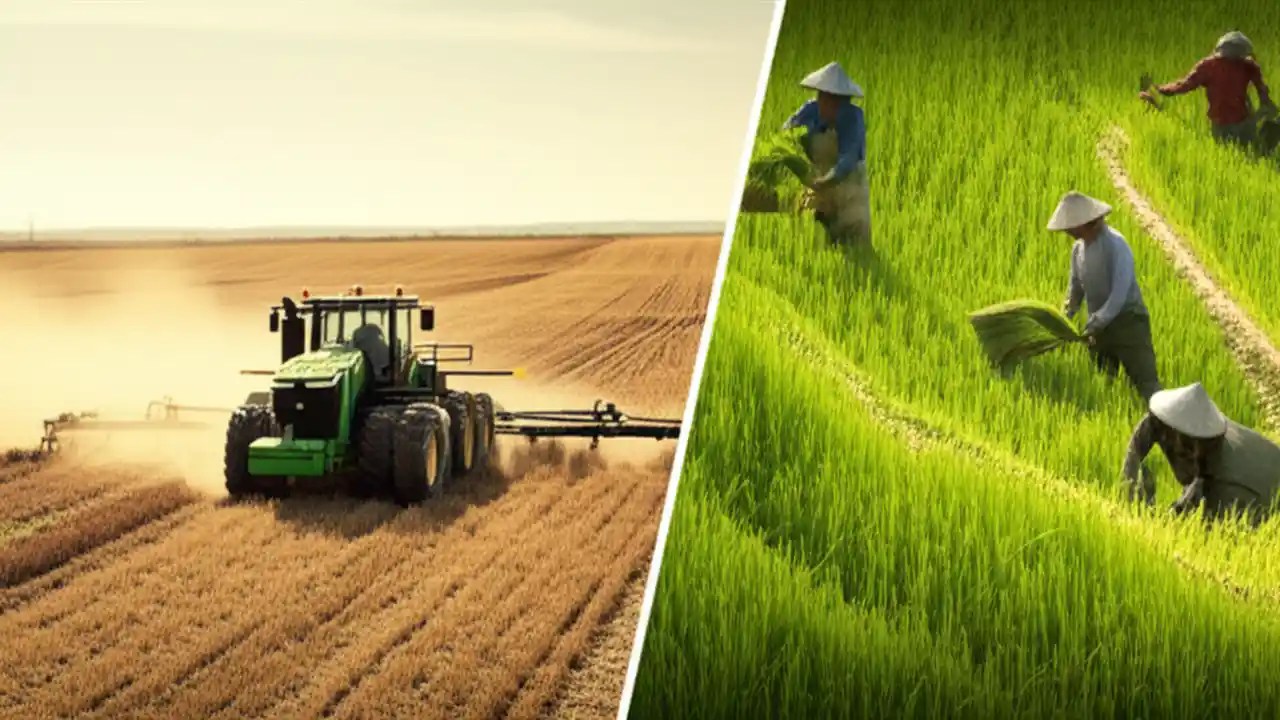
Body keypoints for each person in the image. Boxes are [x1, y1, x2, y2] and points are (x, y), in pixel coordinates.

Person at [1051, 191, 1162, 402]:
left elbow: (1120, 292)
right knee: (1103, 385)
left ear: (1086, 222)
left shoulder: (1116, 245)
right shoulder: (1077, 250)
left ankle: (1164, 420)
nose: (1067, 231)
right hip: (1098, 330)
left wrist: (1098, 320)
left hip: (1128, 323)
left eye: (1071, 226)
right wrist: (1065, 319)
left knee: (1146, 385)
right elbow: (1075, 290)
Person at [1122, 382, 1280, 526]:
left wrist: (1147, 513)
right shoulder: (1206, 431)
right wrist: (1130, 479)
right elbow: (1151, 424)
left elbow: (1185, 531)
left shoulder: (1223, 488)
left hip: (1263, 495)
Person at [781, 61, 870, 244]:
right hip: (819, 184)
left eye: (832, 100)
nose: (825, 104)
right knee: (818, 241)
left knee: (854, 241)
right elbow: (786, 134)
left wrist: (826, 181)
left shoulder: (853, 118)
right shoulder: (810, 110)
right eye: (822, 98)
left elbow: (848, 158)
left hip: (849, 189)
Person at [1143, 31, 1276, 149]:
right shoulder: (1247, 65)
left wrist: (1161, 90)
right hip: (1238, 124)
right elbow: (1263, 92)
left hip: (1223, 124)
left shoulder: (1210, 65)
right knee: (1254, 148)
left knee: (1235, 151)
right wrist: (1266, 108)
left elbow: (1184, 85)